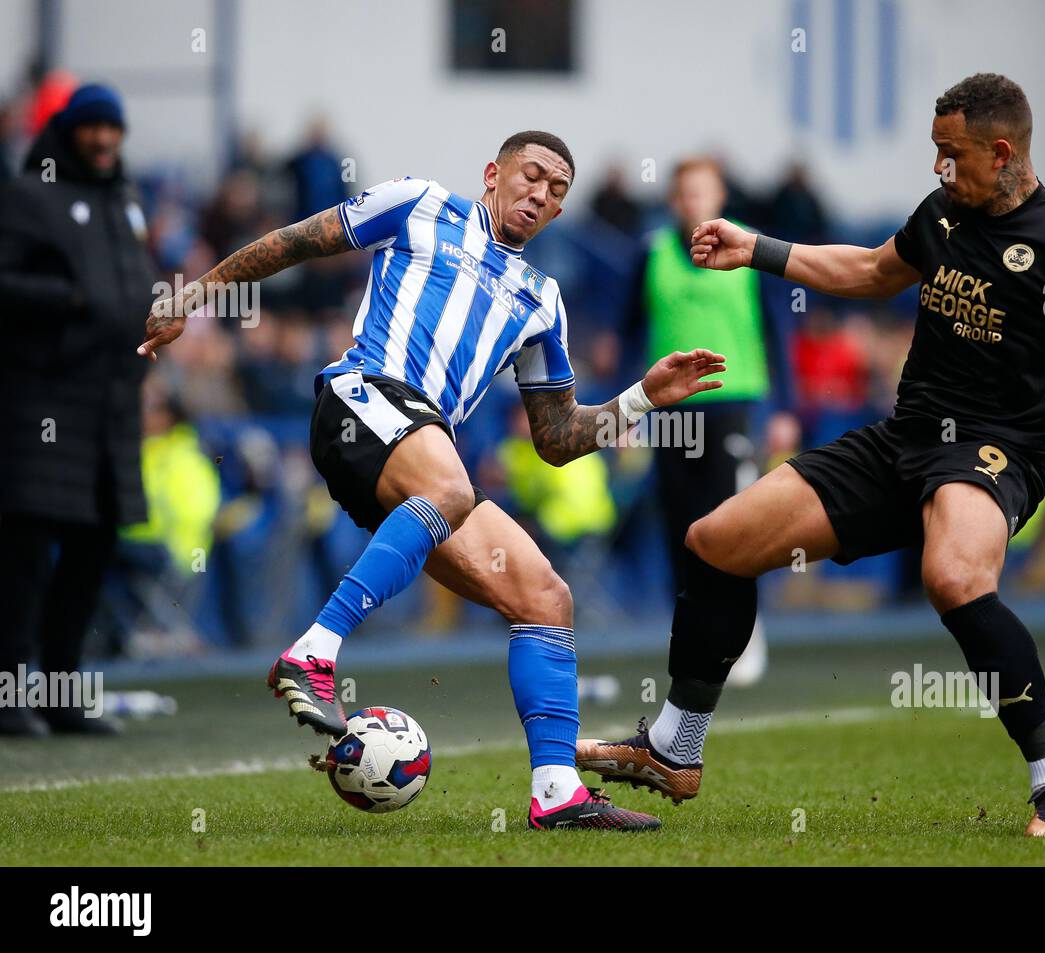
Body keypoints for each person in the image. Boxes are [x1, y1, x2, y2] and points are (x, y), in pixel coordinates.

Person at [577, 74, 1045, 837]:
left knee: (952, 577)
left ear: (1002, 152)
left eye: (953, 154)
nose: (940, 169)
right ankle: (677, 747)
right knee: (716, 542)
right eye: (935, 152)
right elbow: (874, 272)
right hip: (904, 436)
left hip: (996, 451)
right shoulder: (944, 212)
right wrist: (759, 251)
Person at [139, 131, 726, 831]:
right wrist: (195, 294)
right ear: (493, 175)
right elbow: (298, 241)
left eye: (558, 190)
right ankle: (314, 653)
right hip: (361, 397)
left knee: (545, 596)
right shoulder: (419, 203)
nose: (541, 194)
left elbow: (558, 439)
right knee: (450, 488)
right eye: (531, 176)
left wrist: (640, 399)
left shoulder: (542, 299)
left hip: (420, 452)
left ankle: (556, 793)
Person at [0, 83, 157, 736]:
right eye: (91, 129)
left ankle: (62, 696)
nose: (103, 141)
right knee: (25, 560)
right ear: (68, 133)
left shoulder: (124, 202)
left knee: (93, 555)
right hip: (44, 405)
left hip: (112, 410)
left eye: (112, 130)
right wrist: (66, 302)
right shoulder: (29, 194)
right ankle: (7, 696)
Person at [622, 157, 790, 684]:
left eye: (703, 191)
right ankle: (692, 642)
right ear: (674, 200)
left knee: (733, 523)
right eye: (684, 193)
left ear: (719, 198)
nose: (693, 201)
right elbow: (628, 335)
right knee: (681, 528)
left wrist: (786, 408)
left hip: (732, 401)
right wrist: (623, 410)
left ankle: (744, 638)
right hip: (668, 407)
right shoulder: (651, 253)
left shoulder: (750, 248)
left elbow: (777, 330)